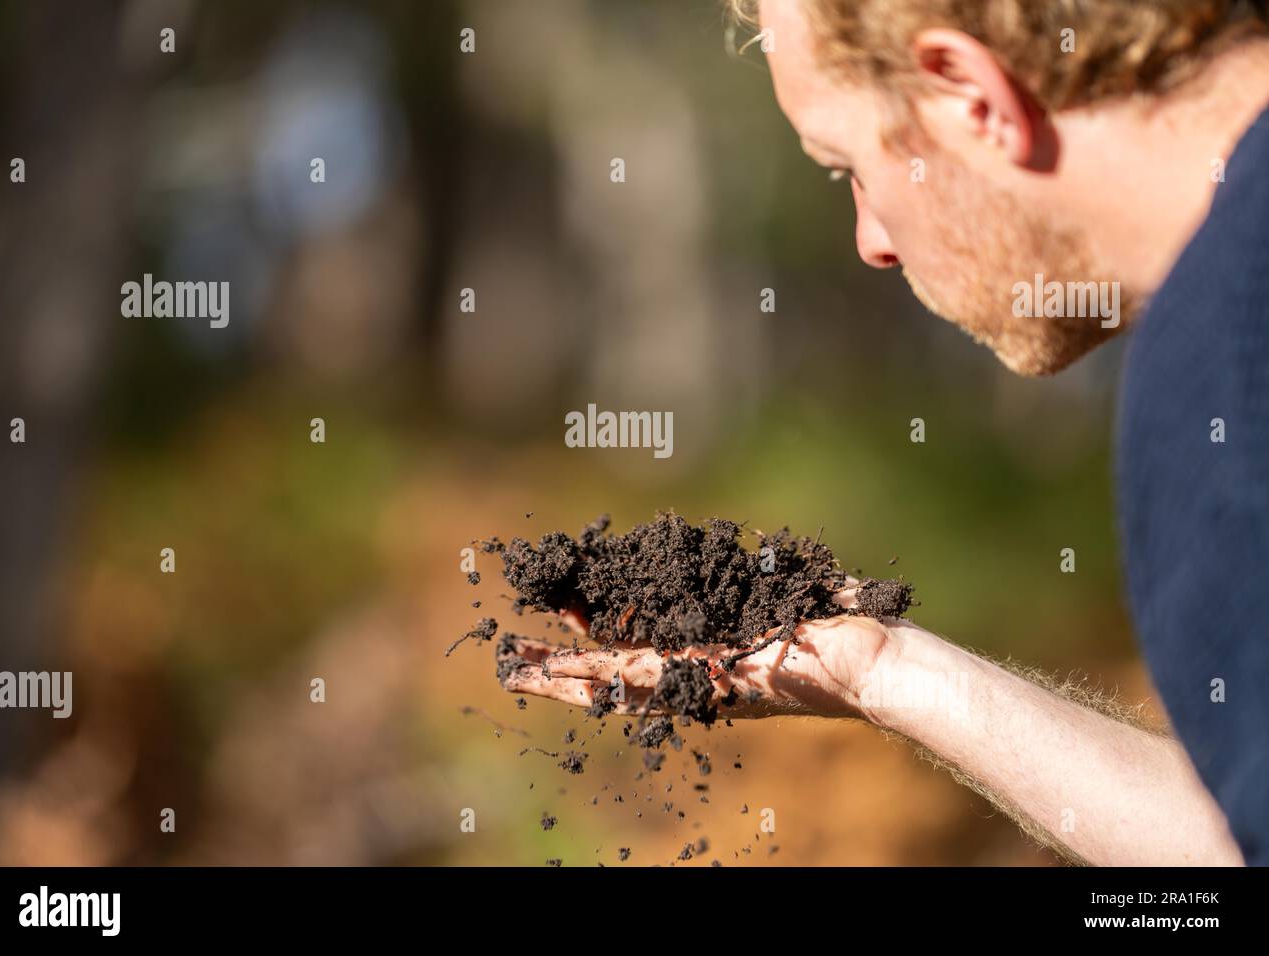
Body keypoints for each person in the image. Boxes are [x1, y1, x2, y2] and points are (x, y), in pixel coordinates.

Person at [502, 0, 1269, 866]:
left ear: (970, 98)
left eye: (849, 165)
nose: (871, 242)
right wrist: (888, 676)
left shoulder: (1226, 361)